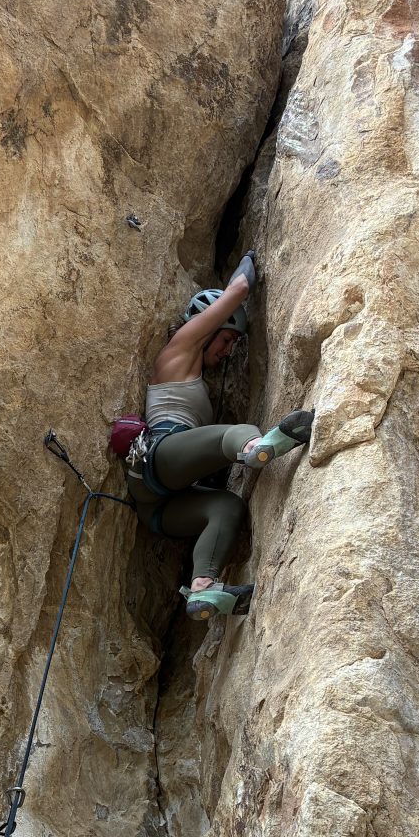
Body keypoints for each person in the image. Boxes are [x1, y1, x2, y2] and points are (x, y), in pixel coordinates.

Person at [125, 253, 313, 622]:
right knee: (232, 436)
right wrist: (249, 259)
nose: (228, 351)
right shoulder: (179, 350)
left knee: (226, 507)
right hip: (159, 457)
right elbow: (240, 287)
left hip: (158, 506)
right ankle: (255, 447)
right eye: (226, 339)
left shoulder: (194, 370)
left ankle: (203, 590)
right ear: (206, 328)